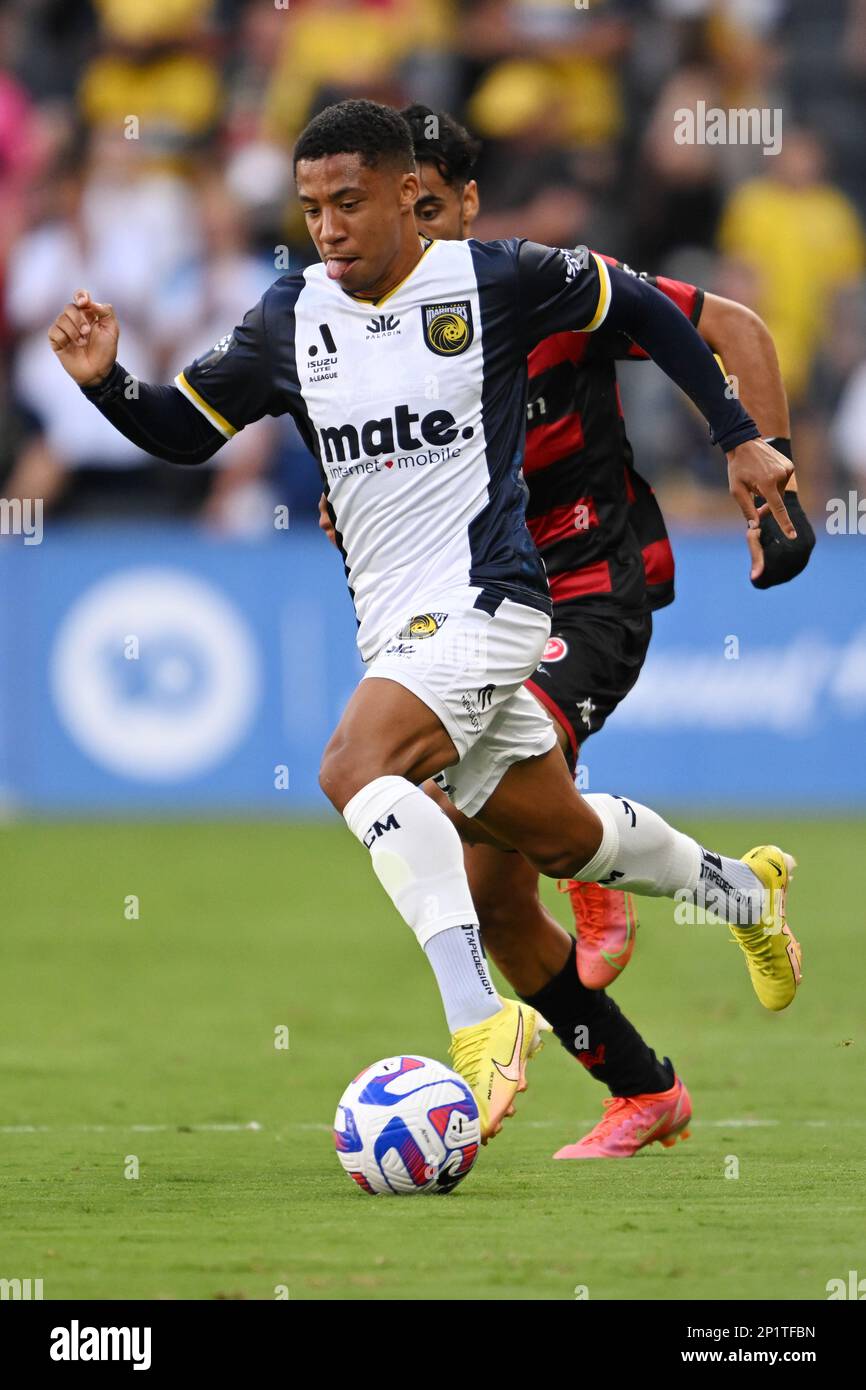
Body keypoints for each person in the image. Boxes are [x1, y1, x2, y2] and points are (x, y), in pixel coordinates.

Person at [49, 100, 802, 1147]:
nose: (328, 227)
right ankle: (741, 894)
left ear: (411, 196)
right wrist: (107, 385)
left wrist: (740, 438)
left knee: (353, 764)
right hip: (397, 626)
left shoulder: (495, 280)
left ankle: (477, 1017)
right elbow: (184, 430)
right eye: (311, 207)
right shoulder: (290, 315)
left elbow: (657, 311)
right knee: (559, 835)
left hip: (494, 603)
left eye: (348, 202)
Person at [314, 103, 814, 1158]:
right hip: (466, 603)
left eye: (435, 207)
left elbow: (733, 327)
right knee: (496, 889)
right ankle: (651, 1071)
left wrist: (758, 458)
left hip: (585, 588)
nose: (424, 232)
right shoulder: (368, 327)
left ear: (461, 201)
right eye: (403, 211)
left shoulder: (538, 287)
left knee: (449, 798)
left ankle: (591, 882)